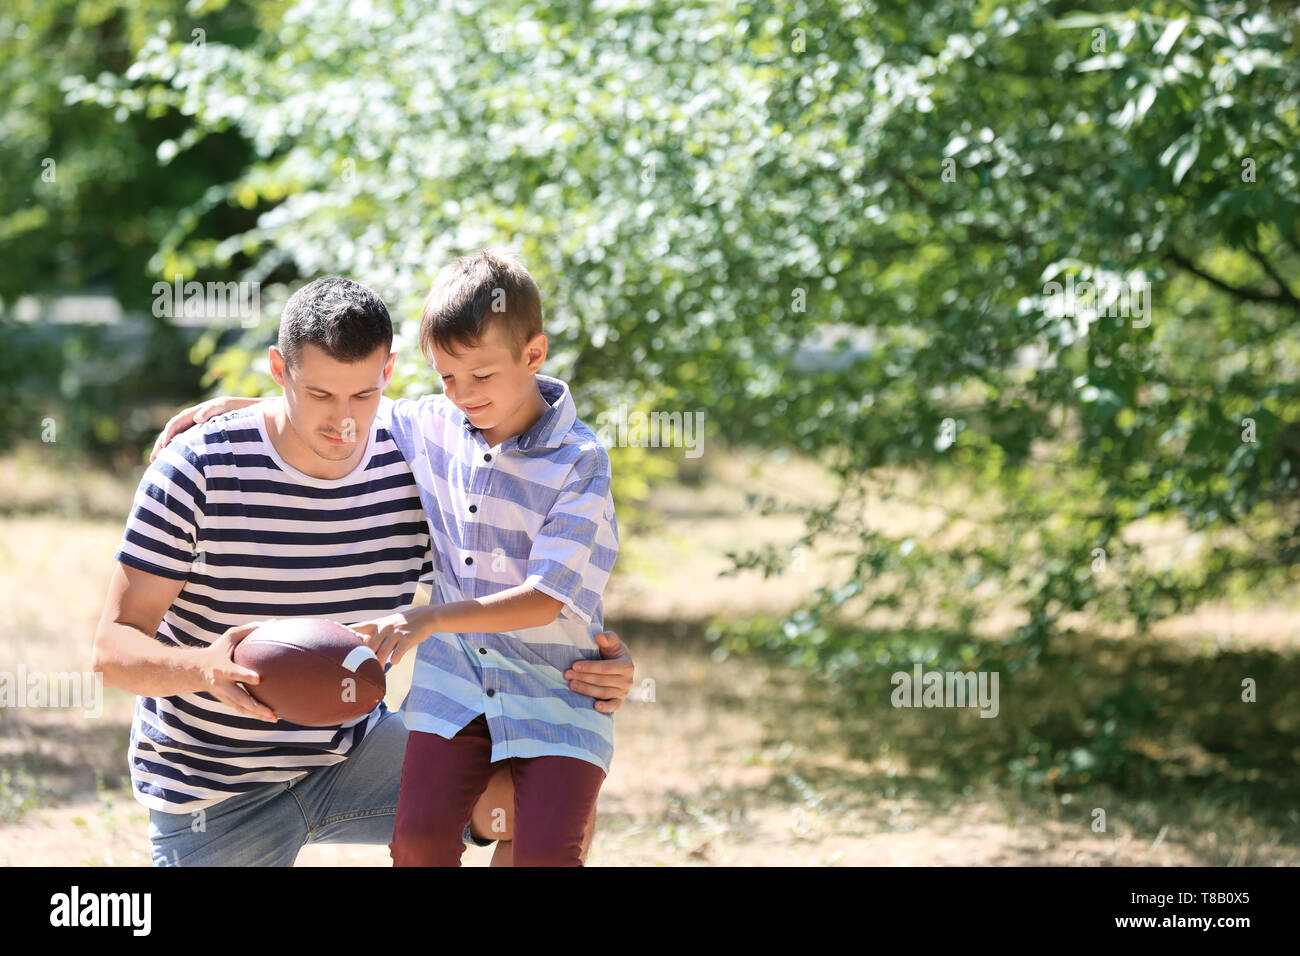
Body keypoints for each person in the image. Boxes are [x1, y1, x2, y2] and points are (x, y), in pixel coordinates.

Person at [97, 275, 634, 866]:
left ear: (389, 372)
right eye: (319, 394)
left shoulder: (413, 463)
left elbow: (502, 569)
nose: (344, 423)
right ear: (279, 371)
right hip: (217, 794)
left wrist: (590, 655)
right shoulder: (197, 469)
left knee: (552, 797)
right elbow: (112, 649)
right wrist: (205, 668)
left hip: (358, 751)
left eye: (362, 395)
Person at [352, 248, 617, 866]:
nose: (462, 394)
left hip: (560, 694)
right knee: (416, 843)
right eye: (446, 377)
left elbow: (547, 598)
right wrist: (238, 412)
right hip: (456, 689)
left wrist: (431, 619)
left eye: (481, 375)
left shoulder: (579, 461)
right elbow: (344, 409)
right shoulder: (433, 424)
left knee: (547, 853)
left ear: (533, 353)